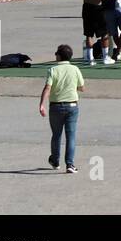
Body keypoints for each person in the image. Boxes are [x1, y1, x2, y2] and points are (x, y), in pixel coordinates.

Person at [39, 44, 85, 173]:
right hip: (72, 106)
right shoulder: (75, 69)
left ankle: (55, 160)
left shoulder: (52, 70)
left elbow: (47, 88)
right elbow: (82, 87)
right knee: (71, 136)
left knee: (56, 135)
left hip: (55, 106)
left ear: (59, 56)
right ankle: (70, 164)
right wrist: (72, 87)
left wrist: (41, 104)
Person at [77, 0, 113, 65]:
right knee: (104, 33)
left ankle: (90, 58)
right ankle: (105, 57)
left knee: (89, 34)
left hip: (86, 7)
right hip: (97, 8)